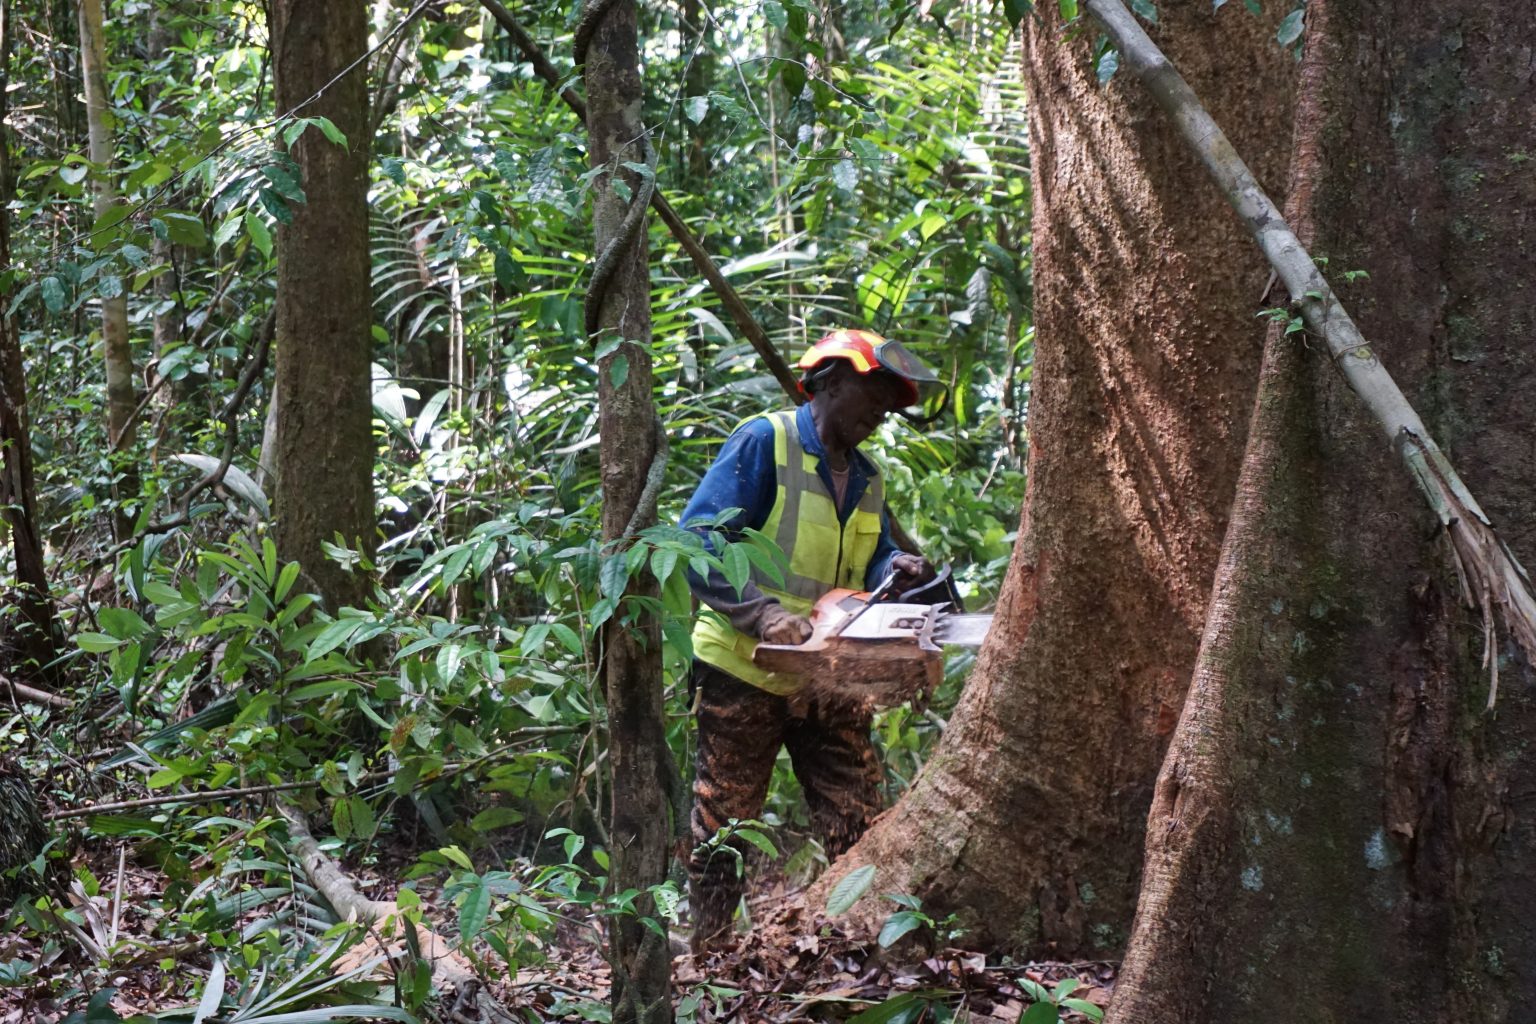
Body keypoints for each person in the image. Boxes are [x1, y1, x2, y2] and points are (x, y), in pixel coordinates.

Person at [679, 328, 945, 951]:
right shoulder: (764, 443)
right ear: (829, 382)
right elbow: (696, 541)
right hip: (745, 664)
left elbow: (870, 558)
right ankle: (710, 951)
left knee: (857, 810)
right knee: (725, 819)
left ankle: (859, 943)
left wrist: (892, 570)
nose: (880, 413)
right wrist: (760, 612)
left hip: (829, 670)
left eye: (888, 404)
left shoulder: (868, 478)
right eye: (872, 395)